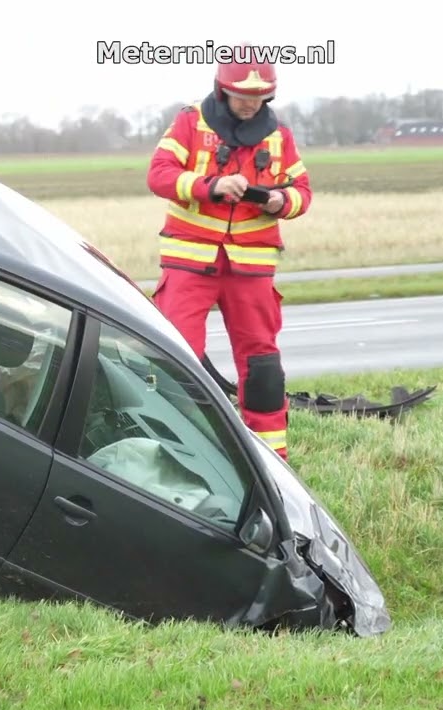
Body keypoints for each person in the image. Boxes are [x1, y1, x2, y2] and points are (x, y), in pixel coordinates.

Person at [145, 47, 311, 461]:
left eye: (258, 97)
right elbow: (159, 174)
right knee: (173, 358)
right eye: (241, 96)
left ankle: (273, 461)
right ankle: (178, 453)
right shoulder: (189, 122)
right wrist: (209, 186)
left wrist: (279, 201)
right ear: (222, 89)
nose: (250, 103)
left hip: (252, 270)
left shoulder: (279, 137)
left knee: (263, 369)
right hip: (189, 264)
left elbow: (303, 193)